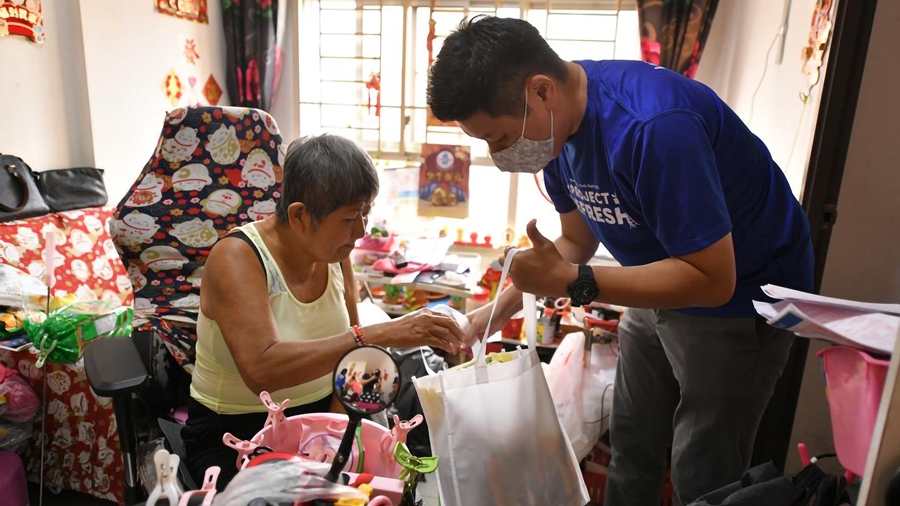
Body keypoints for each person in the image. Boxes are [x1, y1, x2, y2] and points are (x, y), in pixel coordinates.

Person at [428, 16, 814, 506]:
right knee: (631, 439)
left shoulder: (653, 127)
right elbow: (575, 242)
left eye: (501, 138)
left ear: (542, 90)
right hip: (656, 281)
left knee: (703, 464)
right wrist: (490, 314)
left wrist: (574, 282)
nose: (499, 153)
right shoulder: (558, 133)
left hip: (738, 300)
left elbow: (713, 280)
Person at [183, 134, 466, 488]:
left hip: (319, 420)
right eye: (349, 219)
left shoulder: (335, 256)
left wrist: (334, 437)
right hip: (237, 430)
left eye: (366, 213)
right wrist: (379, 333)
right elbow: (262, 368)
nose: (361, 232)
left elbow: (355, 363)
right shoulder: (237, 258)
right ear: (300, 215)